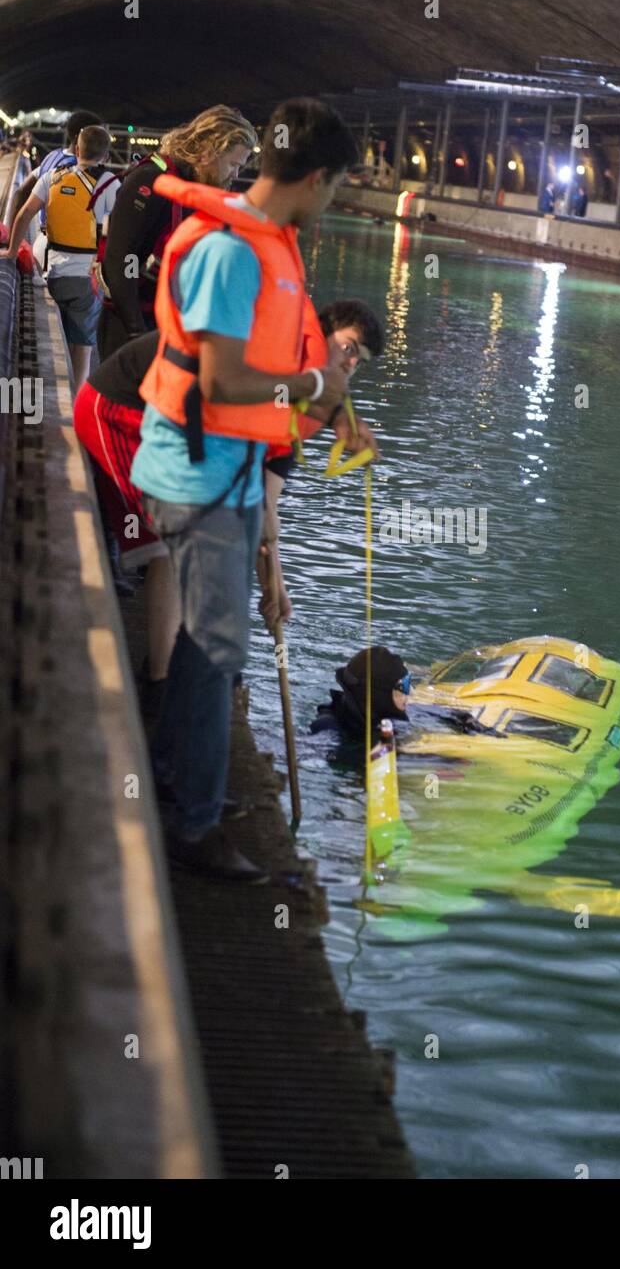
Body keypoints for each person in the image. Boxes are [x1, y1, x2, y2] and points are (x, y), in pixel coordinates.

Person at [131, 97, 376, 883]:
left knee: (213, 654)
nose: (335, 199)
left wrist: (328, 406)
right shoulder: (234, 250)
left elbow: (269, 369)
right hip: (200, 472)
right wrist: (311, 384)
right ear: (314, 177)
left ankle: (181, 784)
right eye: (336, 185)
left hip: (228, 467)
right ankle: (192, 826)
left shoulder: (265, 241)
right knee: (213, 649)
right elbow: (225, 378)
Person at [72, 297, 385, 705]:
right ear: (320, 331)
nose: (349, 364)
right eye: (347, 347)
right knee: (167, 541)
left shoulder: (300, 408)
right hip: (119, 407)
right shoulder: (272, 360)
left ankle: (178, 666)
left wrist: (276, 587)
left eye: (358, 360)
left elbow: (264, 504)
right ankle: (160, 680)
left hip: (169, 427)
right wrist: (274, 585)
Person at [96, 105, 258, 361]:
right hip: (128, 325)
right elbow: (118, 262)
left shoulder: (193, 189)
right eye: (233, 164)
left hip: (164, 325)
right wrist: (137, 336)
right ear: (208, 152)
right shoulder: (151, 179)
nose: (236, 175)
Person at [1, 124, 119, 390]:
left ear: (76, 149)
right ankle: (76, 405)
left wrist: (11, 250)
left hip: (53, 272)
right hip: (87, 280)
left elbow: (23, 214)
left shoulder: (53, 176)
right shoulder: (110, 184)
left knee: (59, 336)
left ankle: (51, 392)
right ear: (106, 156)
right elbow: (117, 232)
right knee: (83, 349)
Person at [9, 108, 104, 222]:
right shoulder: (78, 169)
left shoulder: (53, 156)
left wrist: (12, 231)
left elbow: (21, 192)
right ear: (78, 136)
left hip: (43, 234)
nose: (101, 142)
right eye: (97, 137)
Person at [311, 647, 410, 743]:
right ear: (378, 696)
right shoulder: (329, 731)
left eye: (408, 684)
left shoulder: (377, 717)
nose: (408, 694)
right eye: (402, 687)